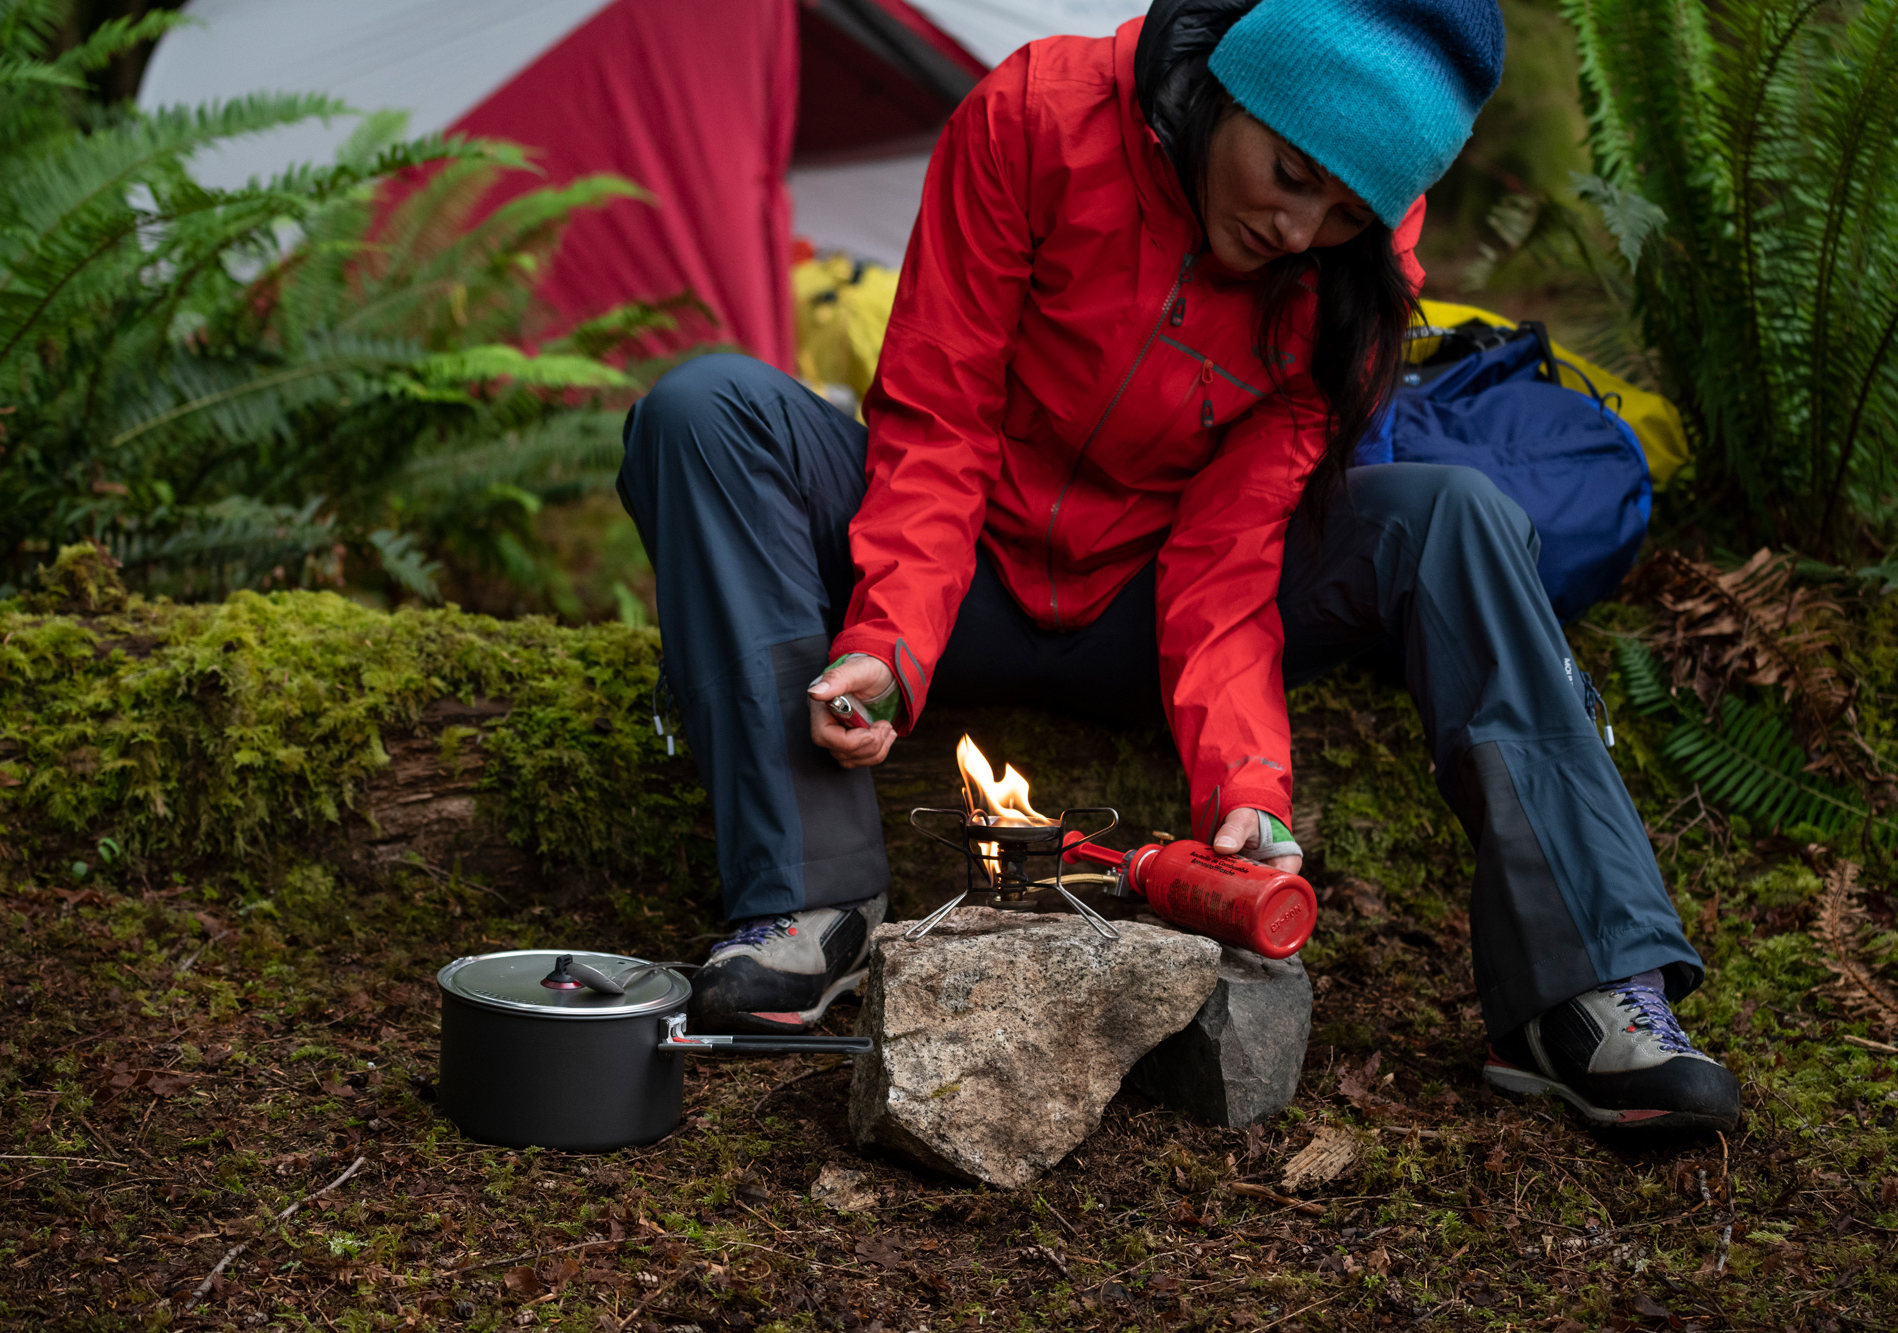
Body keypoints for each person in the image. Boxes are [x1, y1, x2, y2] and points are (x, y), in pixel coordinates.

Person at [618, 0, 1740, 1132]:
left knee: (1451, 511)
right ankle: (808, 904)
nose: (1299, 231)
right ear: (1232, 87)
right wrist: (886, 643)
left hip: (1147, 610)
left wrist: (1245, 787)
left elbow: (1231, 543)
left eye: (1344, 211)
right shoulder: (1035, 114)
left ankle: (1581, 991)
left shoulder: (1350, 265)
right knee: (706, 410)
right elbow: (938, 414)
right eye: (1288, 173)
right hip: (963, 577)